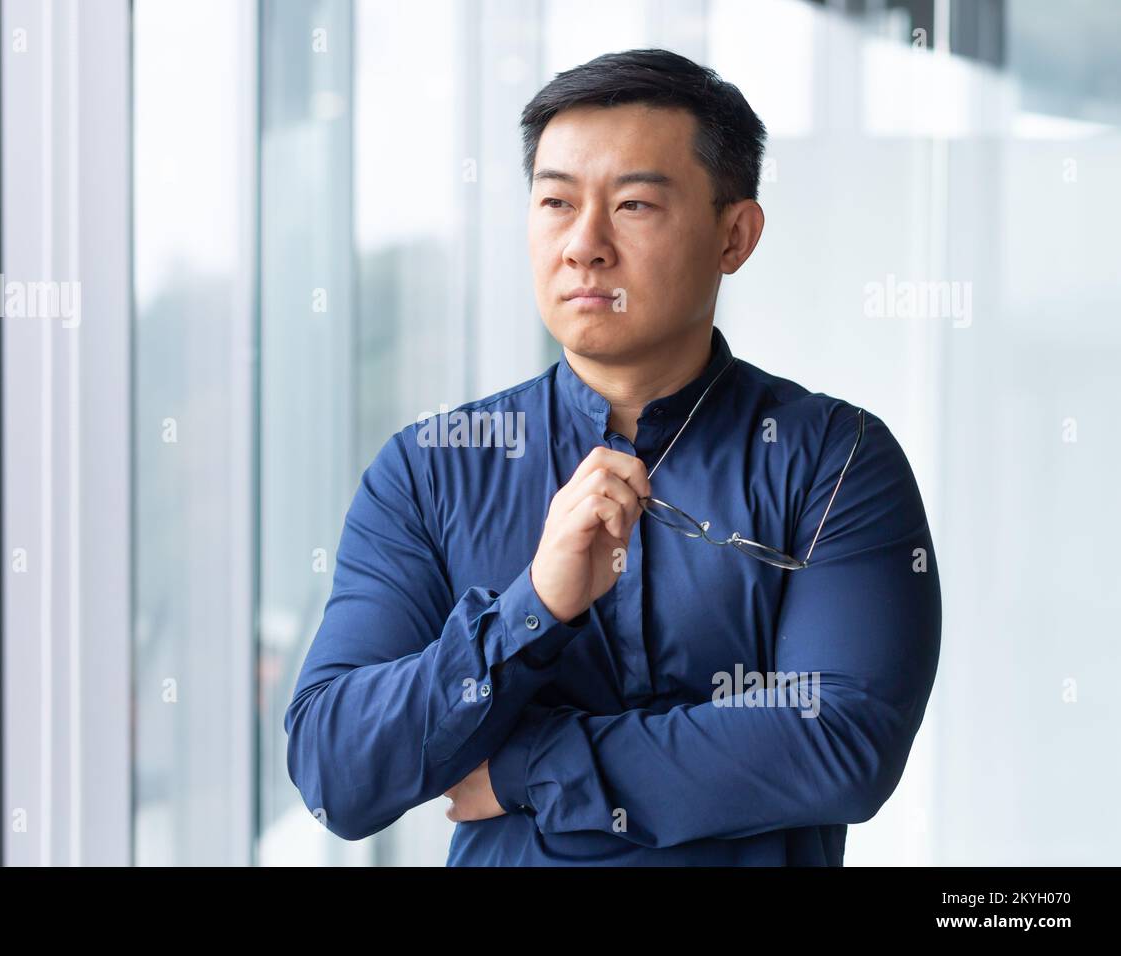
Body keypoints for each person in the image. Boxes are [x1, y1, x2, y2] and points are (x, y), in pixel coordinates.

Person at [284, 48, 941, 865]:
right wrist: (534, 609)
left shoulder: (833, 460)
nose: (584, 245)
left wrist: (529, 765)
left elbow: (843, 739)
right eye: (556, 201)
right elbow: (334, 771)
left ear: (733, 235)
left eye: (633, 205)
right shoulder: (430, 470)